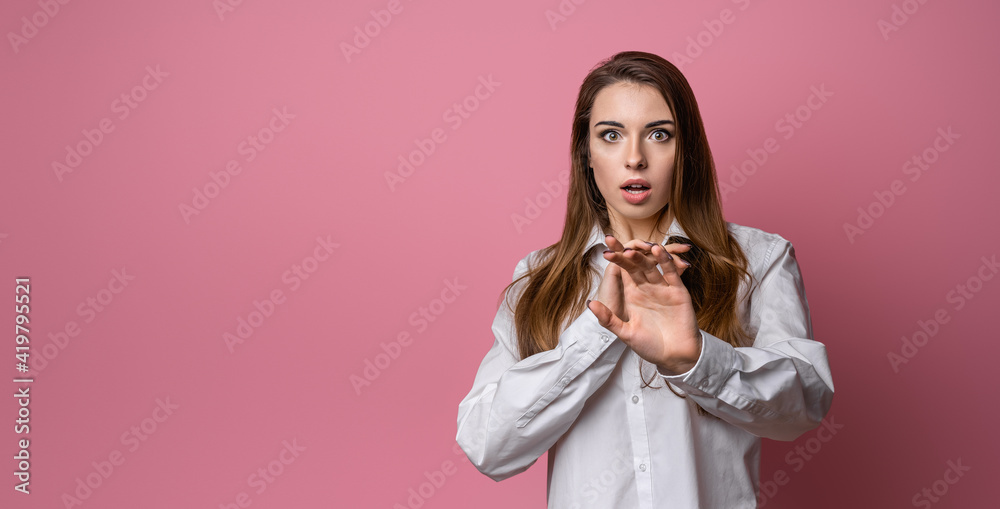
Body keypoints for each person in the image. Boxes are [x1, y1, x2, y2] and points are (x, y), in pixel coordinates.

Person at [455, 50, 834, 508]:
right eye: (611, 135)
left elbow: (804, 407)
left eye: (659, 134)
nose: (635, 159)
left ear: (686, 150)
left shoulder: (757, 260)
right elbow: (487, 448)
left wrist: (694, 359)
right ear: (586, 154)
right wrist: (593, 335)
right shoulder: (540, 278)